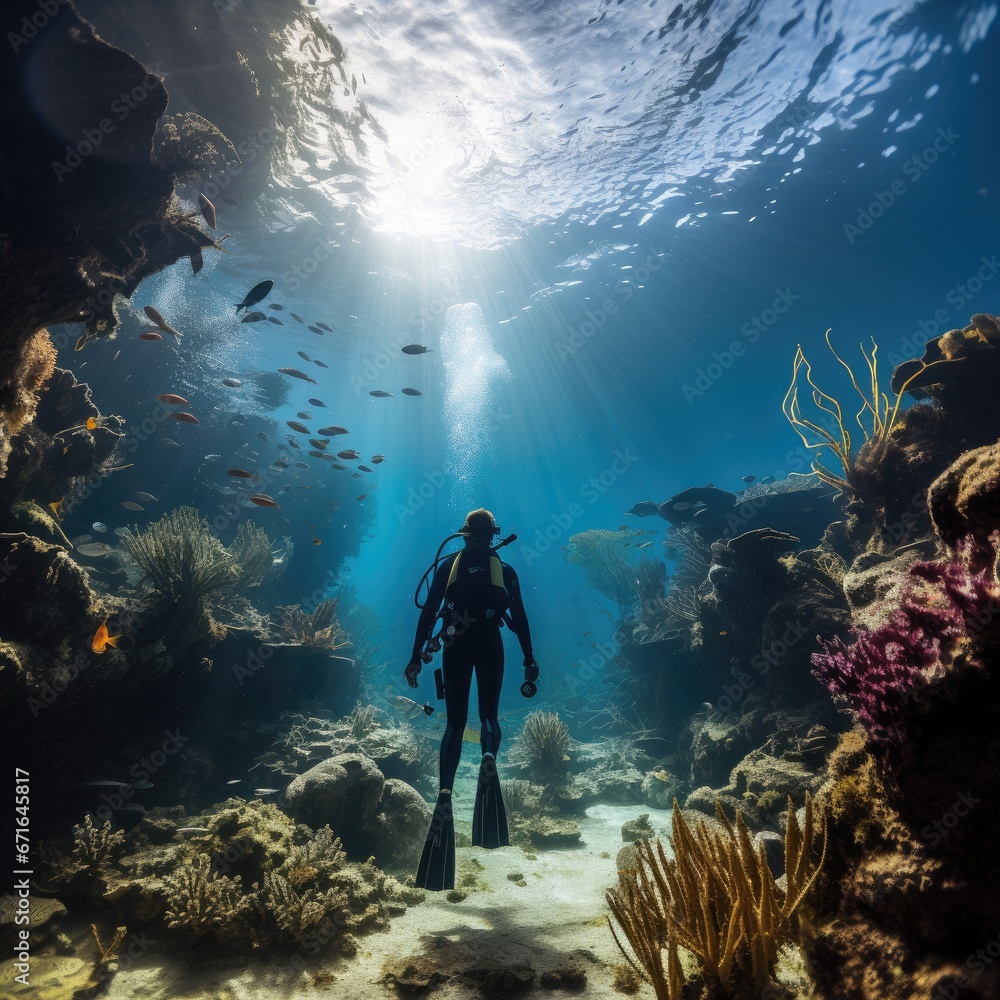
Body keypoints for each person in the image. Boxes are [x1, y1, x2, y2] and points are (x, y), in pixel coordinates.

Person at [405, 507, 538, 890]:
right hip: (490, 642)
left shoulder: (449, 568)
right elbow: (521, 619)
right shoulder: (505, 571)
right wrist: (530, 660)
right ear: (493, 535)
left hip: (455, 644)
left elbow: (428, 614)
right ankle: (489, 758)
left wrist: (416, 657)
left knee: (454, 723)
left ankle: (445, 793)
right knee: (488, 719)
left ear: (464, 534)